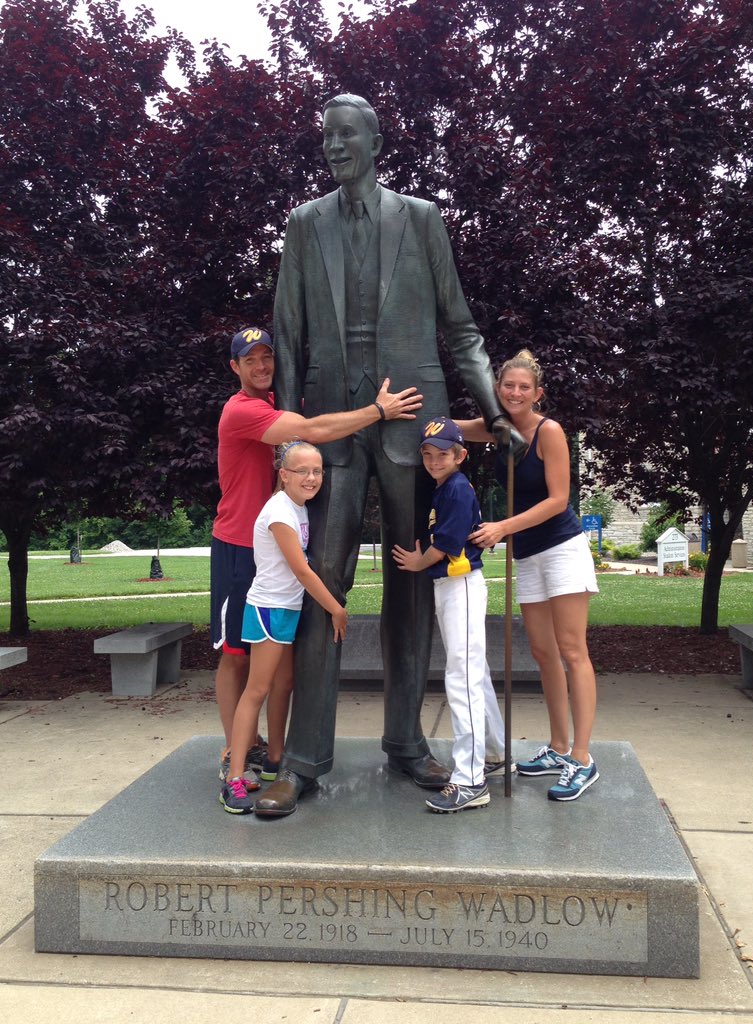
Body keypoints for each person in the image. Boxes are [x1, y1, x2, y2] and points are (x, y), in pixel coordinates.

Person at [261, 93, 523, 818]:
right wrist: (291, 435)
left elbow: (461, 327)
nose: (334, 146)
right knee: (323, 581)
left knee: (413, 581)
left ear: (376, 143)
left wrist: (494, 411)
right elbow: (287, 334)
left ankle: (406, 742)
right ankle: (305, 759)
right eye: (326, 136)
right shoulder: (304, 225)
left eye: (347, 135)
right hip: (332, 427)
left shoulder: (422, 218)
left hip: (414, 424)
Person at [211, 325, 423, 791]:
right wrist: (377, 410)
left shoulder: (271, 406)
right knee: (236, 658)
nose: (262, 366)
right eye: (251, 360)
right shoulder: (242, 409)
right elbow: (311, 431)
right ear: (236, 368)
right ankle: (234, 751)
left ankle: (269, 751)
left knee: (274, 668)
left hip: (270, 549)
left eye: (267, 357)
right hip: (240, 546)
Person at [459, 349, 600, 801]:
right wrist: (392, 409)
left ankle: (581, 757)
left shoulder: (549, 431)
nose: (515, 393)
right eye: (507, 386)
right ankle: (558, 746)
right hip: (529, 553)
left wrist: (503, 527)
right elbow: (444, 428)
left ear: (537, 393)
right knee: (541, 652)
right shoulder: (498, 430)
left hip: (561, 548)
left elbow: (558, 500)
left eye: (524, 387)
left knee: (572, 650)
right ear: (497, 390)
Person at [220, 441, 348, 814]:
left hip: (288, 609)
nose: (311, 478)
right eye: (303, 471)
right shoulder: (279, 511)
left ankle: (276, 757)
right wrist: (336, 609)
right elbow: (302, 570)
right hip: (269, 609)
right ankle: (235, 778)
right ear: (284, 474)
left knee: (284, 684)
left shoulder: (298, 507)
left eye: (317, 471)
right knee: (256, 690)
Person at [392, 417, 507, 814]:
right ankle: (494, 752)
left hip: (460, 587)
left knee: (462, 678)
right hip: (454, 589)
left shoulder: (455, 488)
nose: (434, 460)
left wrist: (417, 562)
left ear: (460, 454)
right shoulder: (446, 487)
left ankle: (470, 780)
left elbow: (445, 546)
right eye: (427, 454)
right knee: (474, 672)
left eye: (442, 454)